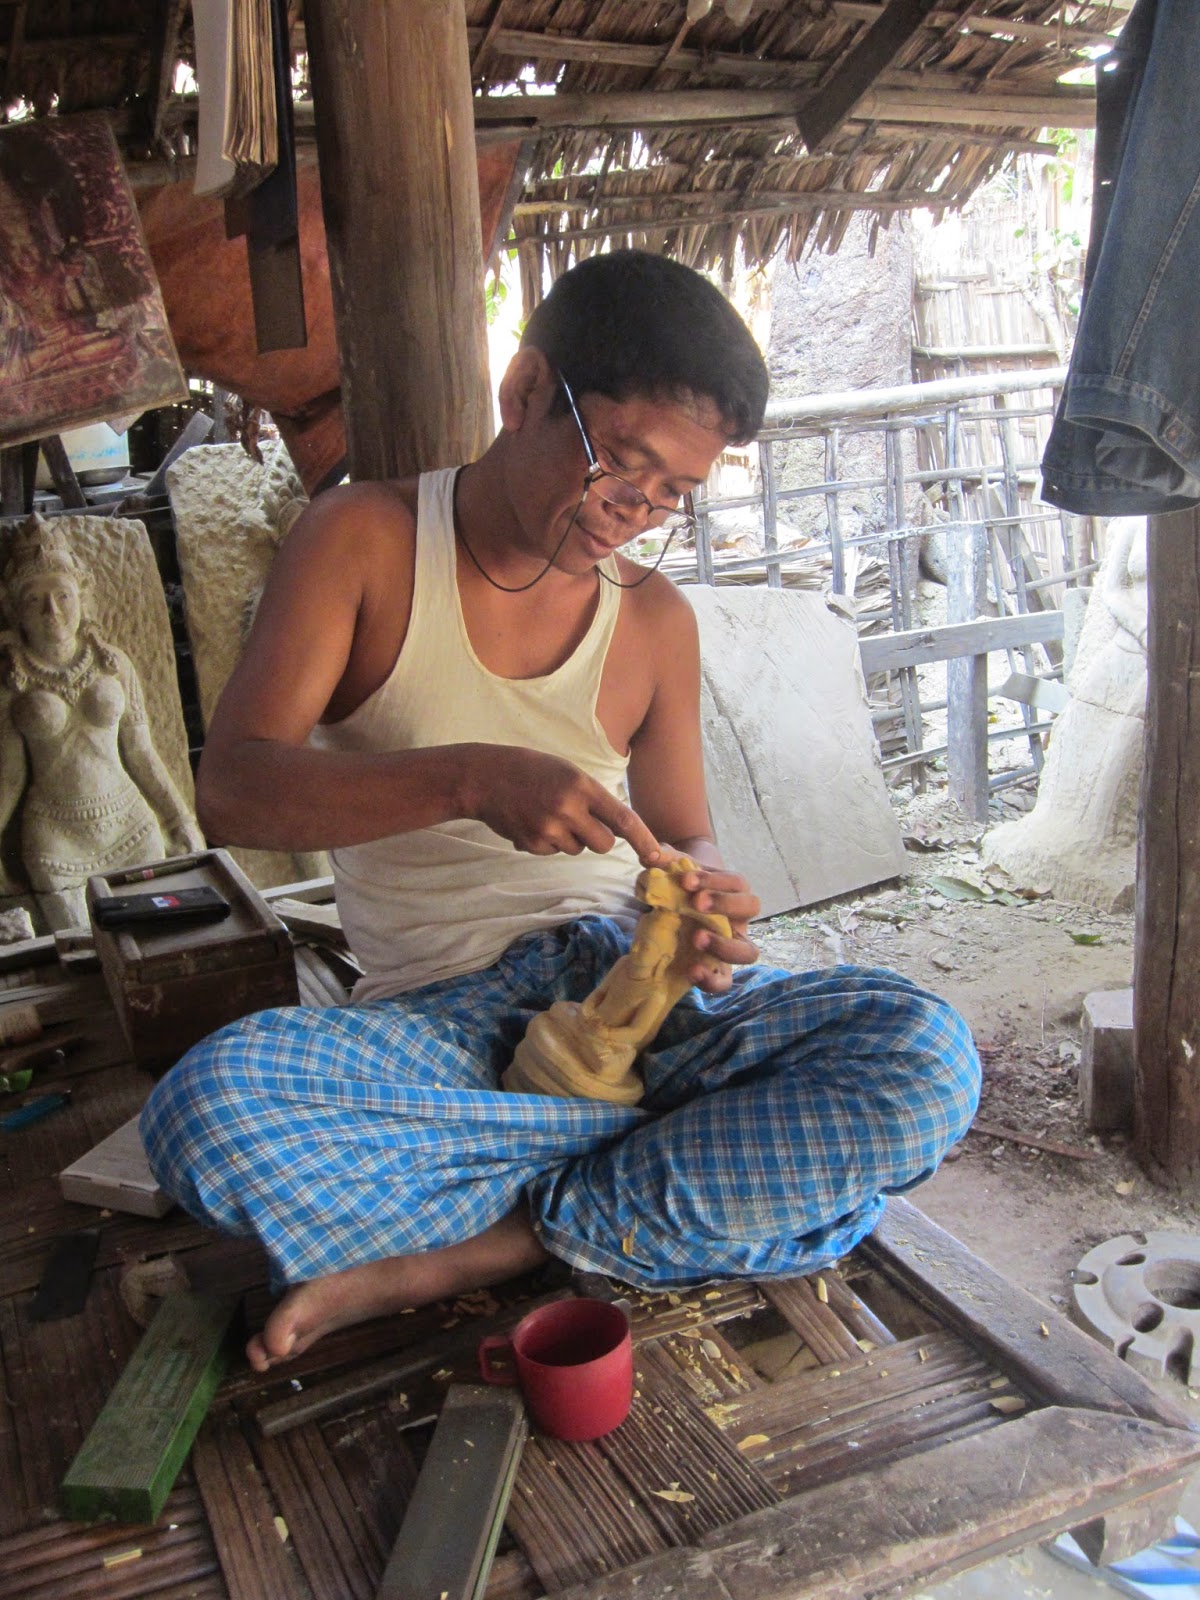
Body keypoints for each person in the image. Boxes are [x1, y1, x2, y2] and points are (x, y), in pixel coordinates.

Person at [139, 250, 980, 1373]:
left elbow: (686, 831)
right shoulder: (366, 543)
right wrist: (470, 778)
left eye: (676, 493)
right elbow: (233, 785)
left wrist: (707, 900)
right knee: (208, 1113)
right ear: (527, 391)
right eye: (624, 465)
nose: (637, 511)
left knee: (925, 1056)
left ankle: (486, 1242)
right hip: (444, 1027)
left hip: (628, 990)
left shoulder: (654, 621)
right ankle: (665, 1184)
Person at [0, 516, 204, 929]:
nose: (52, 612)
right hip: (56, 838)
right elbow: (10, 778)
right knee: (81, 952)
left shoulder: (115, 664)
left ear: (84, 597)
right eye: (34, 600)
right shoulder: (13, 683)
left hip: (130, 821)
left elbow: (142, 751)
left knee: (162, 936)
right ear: (14, 610)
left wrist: (181, 818)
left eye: (63, 595)